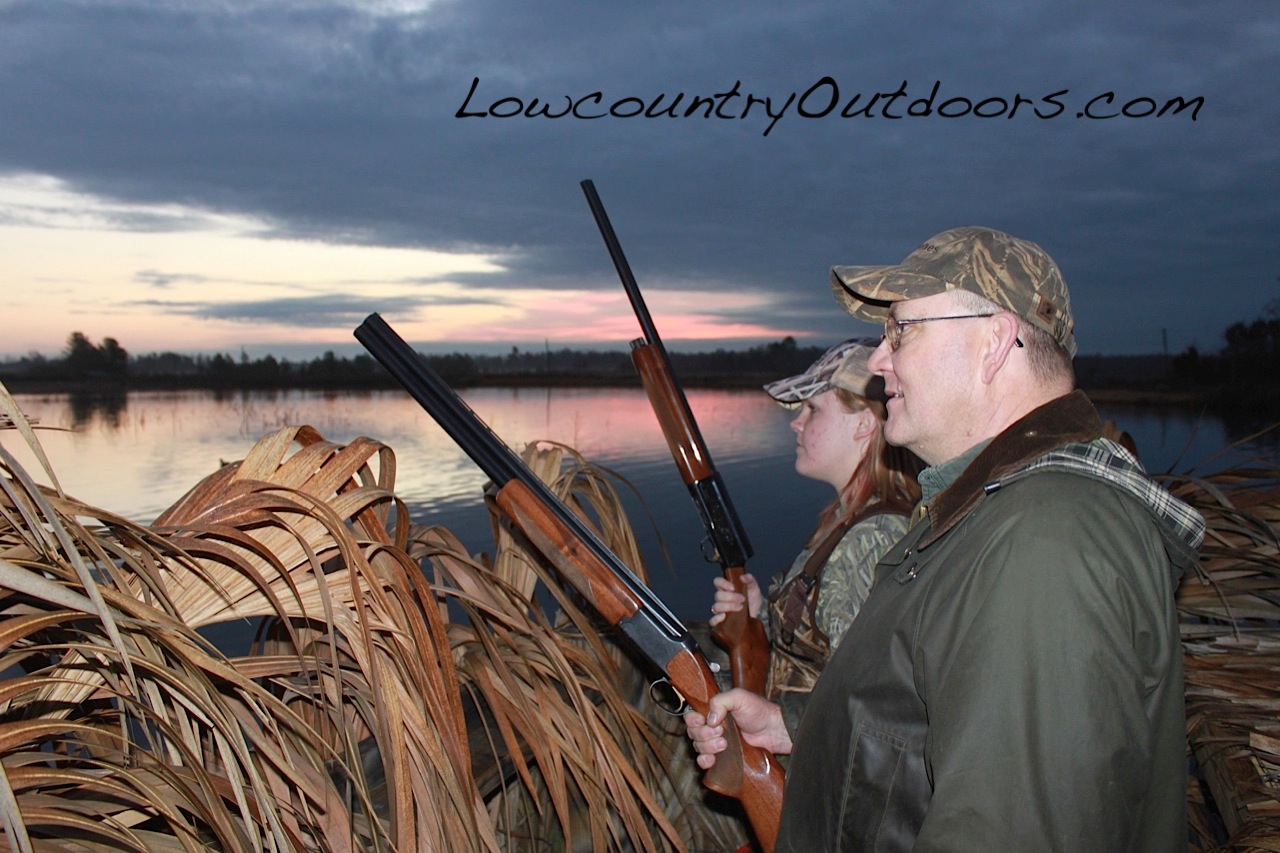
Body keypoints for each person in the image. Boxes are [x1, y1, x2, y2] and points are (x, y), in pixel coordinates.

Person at [686, 226, 1205, 851]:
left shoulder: (1044, 540)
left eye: (902, 332)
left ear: (993, 343)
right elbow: (936, 717)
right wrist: (796, 725)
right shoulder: (989, 512)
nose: (880, 361)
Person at [707, 340, 920, 737]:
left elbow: (874, 696)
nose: (796, 422)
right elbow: (822, 655)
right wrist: (761, 618)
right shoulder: (848, 519)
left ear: (864, 424)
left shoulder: (872, 537)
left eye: (813, 409)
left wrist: (780, 723)